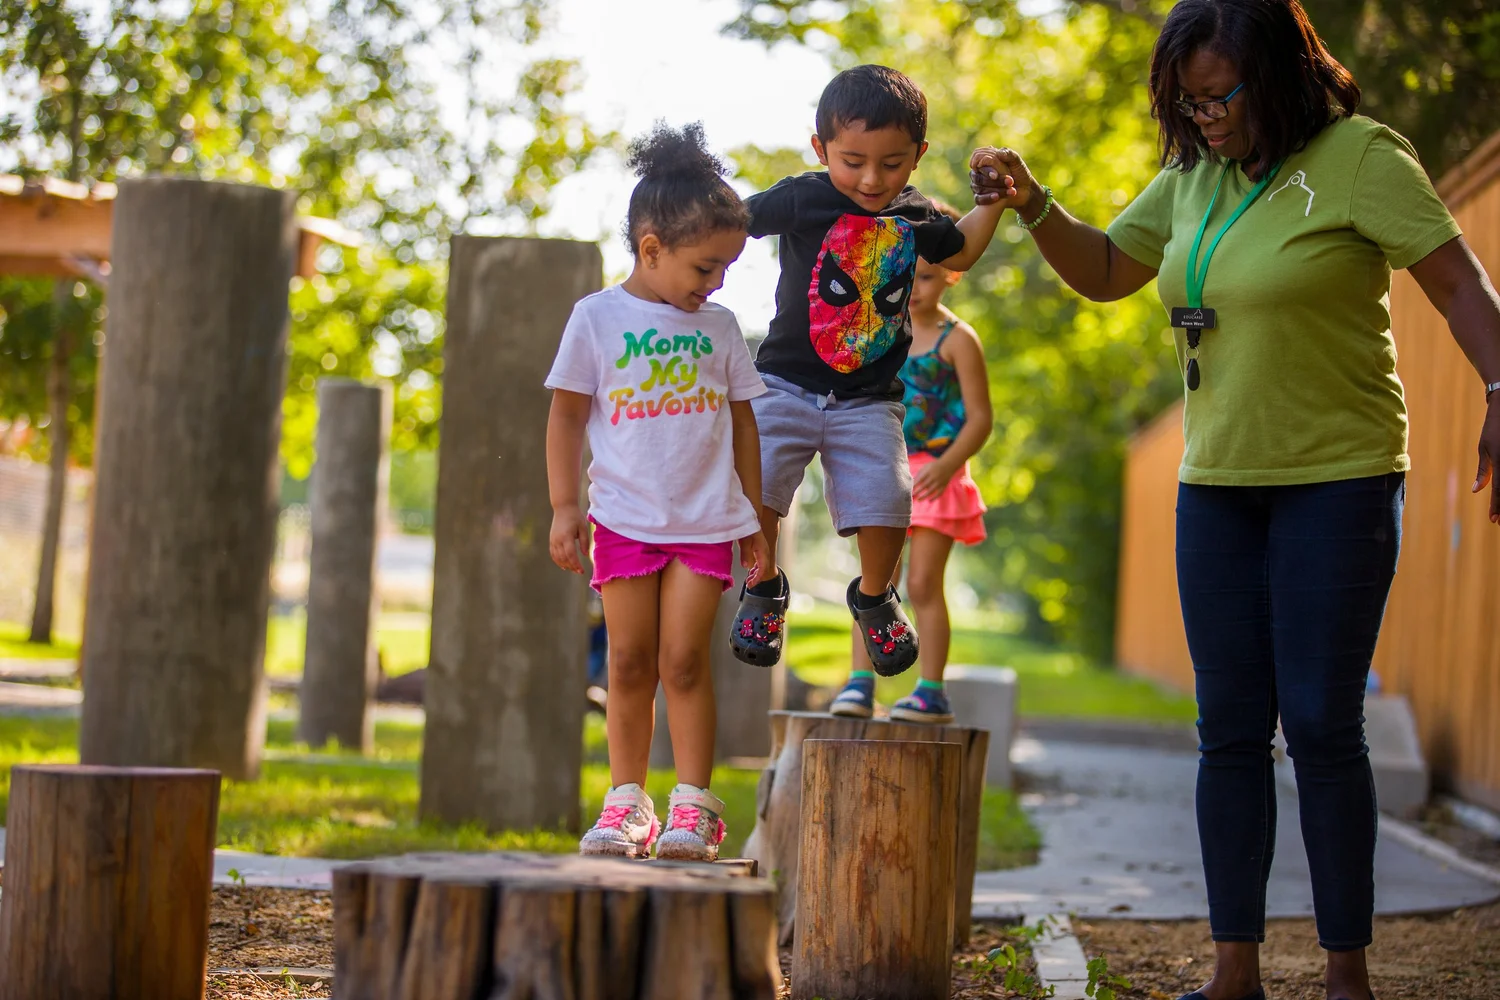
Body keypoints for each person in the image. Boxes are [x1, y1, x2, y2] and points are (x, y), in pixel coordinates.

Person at [972, 3, 1500, 999]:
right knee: (1227, 729)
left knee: (1321, 723)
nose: (1205, 116)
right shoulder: (1190, 181)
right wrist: (1037, 204)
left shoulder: (1361, 157)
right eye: (1188, 100)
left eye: (1222, 96)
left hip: (1338, 479)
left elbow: (1458, 282)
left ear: (1280, 73)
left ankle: (1347, 974)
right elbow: (1104, 271)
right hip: (1216, 489)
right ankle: (1234, 973)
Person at [729, 64, 1005, 677]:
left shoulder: (914, 213)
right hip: (784, 383)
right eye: (852, 161)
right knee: (756, 488)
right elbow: (735, 223)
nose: (872, 179)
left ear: (918, 156)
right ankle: (765, 586)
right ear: (821, 147)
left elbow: (959, 248)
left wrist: (994, 203)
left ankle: (876, 597)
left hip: (870, 400)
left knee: (888, 502)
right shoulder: (802, 195)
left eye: (892, 163)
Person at [546, 122, 772, 862]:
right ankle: (625, 805)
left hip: (705, 522)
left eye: (725, 272)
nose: (713, 285)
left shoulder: (721, 328)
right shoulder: (596, 318)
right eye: (704, 269)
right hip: (623, 520)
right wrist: (563, 509)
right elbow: (568, 414)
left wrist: (753, 518)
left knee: (683, 661)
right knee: (628, 662)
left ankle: (695, 807)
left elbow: (743, 426)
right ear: (651, 248)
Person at [828, 201, 993, 723]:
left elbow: (980, 418)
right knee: (875, 583)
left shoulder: (957, 340)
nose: (915, 286)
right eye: (907, 274)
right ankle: (859, 683)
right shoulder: (881, 331)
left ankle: (931, 689)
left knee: (922, 585)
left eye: (926, 275)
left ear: (951, 272)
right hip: (885, 470)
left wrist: (949, 464)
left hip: (937, 477)